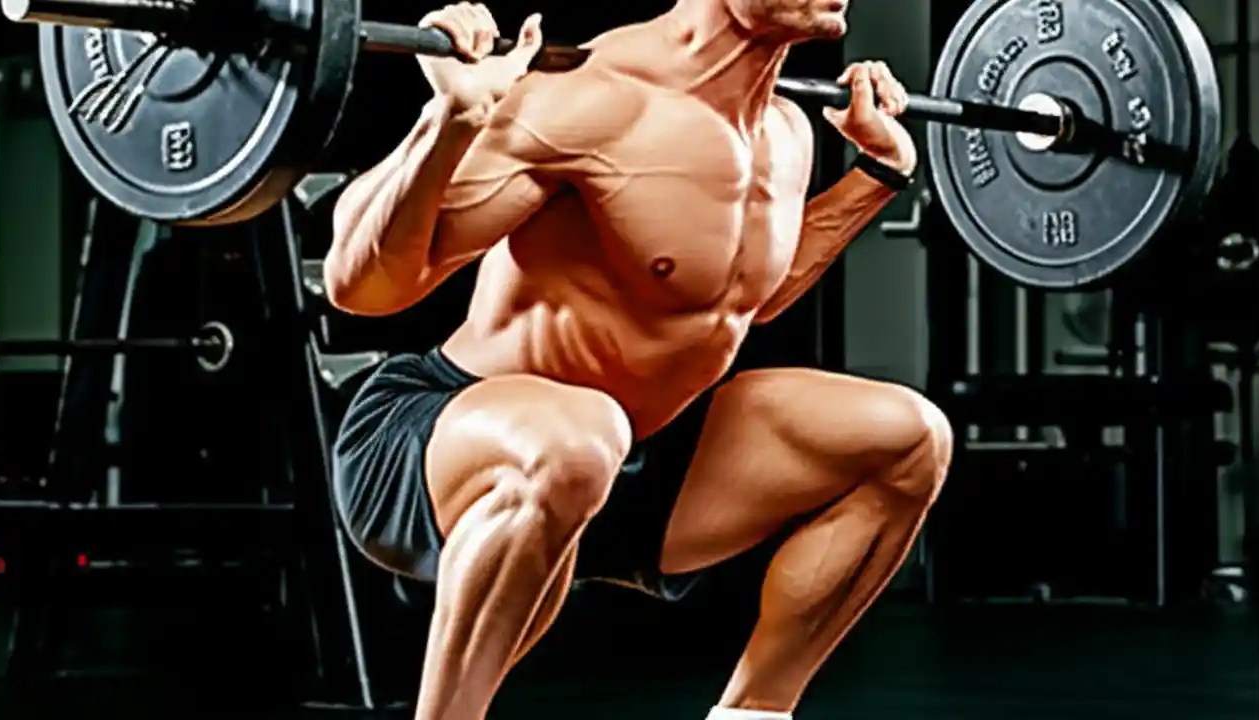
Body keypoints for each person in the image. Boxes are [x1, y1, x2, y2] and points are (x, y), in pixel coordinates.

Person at [325, 0, 953, 718]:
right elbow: (359, 285)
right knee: (582, 436)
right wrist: (452, 122)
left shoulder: (782, 129)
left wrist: (877, 173)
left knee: (907, 438)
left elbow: (741, 298)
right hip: (443, 448)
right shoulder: (593, 100)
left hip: (635, 464)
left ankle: (752, 713)